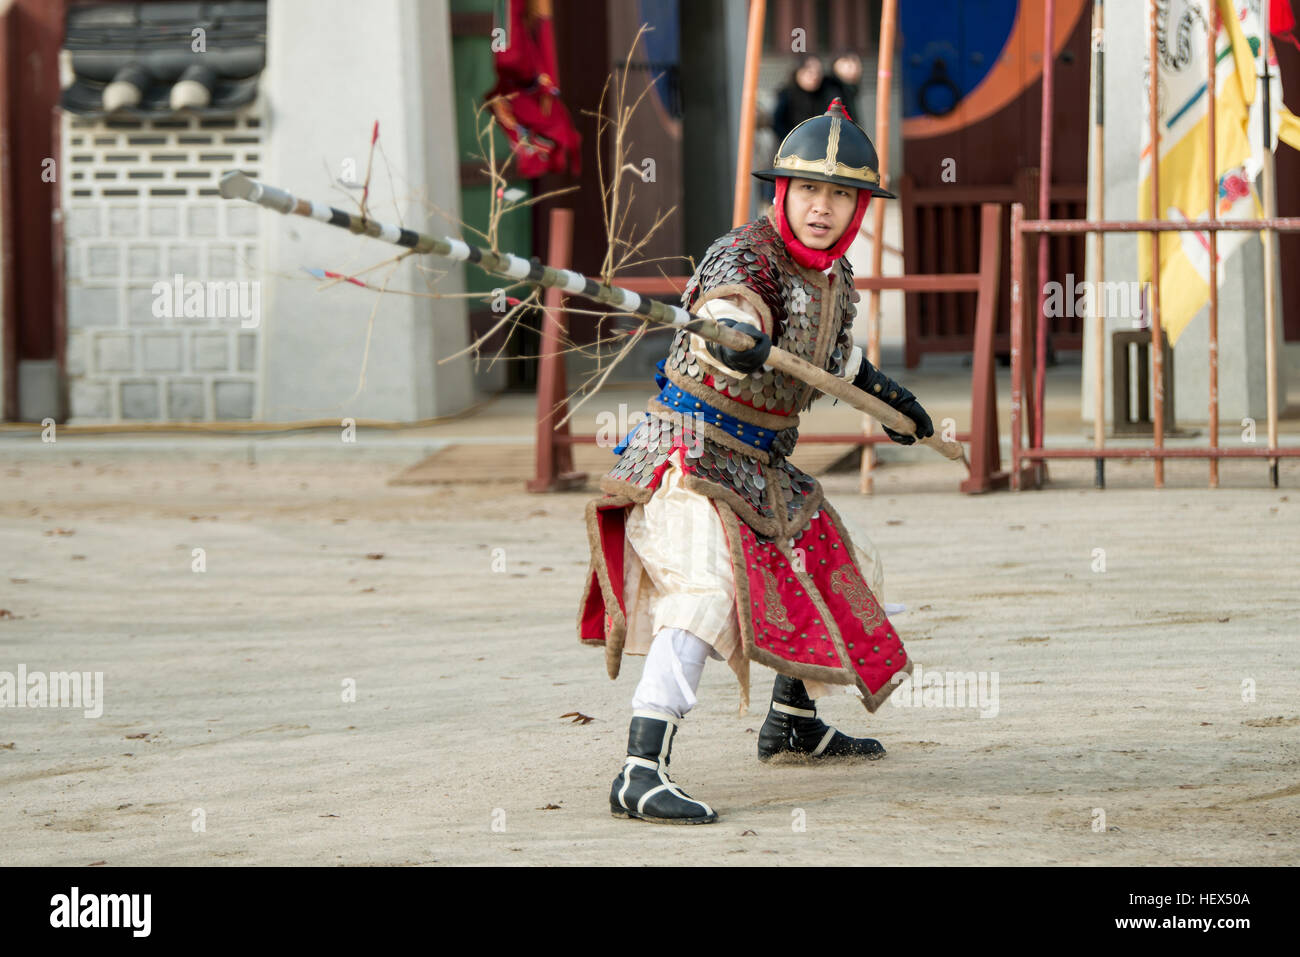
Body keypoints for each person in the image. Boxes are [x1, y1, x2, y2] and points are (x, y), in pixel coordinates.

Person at [576, 99, 934, 825]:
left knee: (847, 561)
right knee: (704, 592)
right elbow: (728, 308)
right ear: (783, 193)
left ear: (859, 207)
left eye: (841, 195)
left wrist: (896, 404)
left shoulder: (835, 279)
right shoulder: (745, 253)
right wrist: (733, 332)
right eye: (810, 191)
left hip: (763, 467)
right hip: (690, 452)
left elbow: (838, 360)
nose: (823, 208)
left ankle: (793, 719)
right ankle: (640, 770)